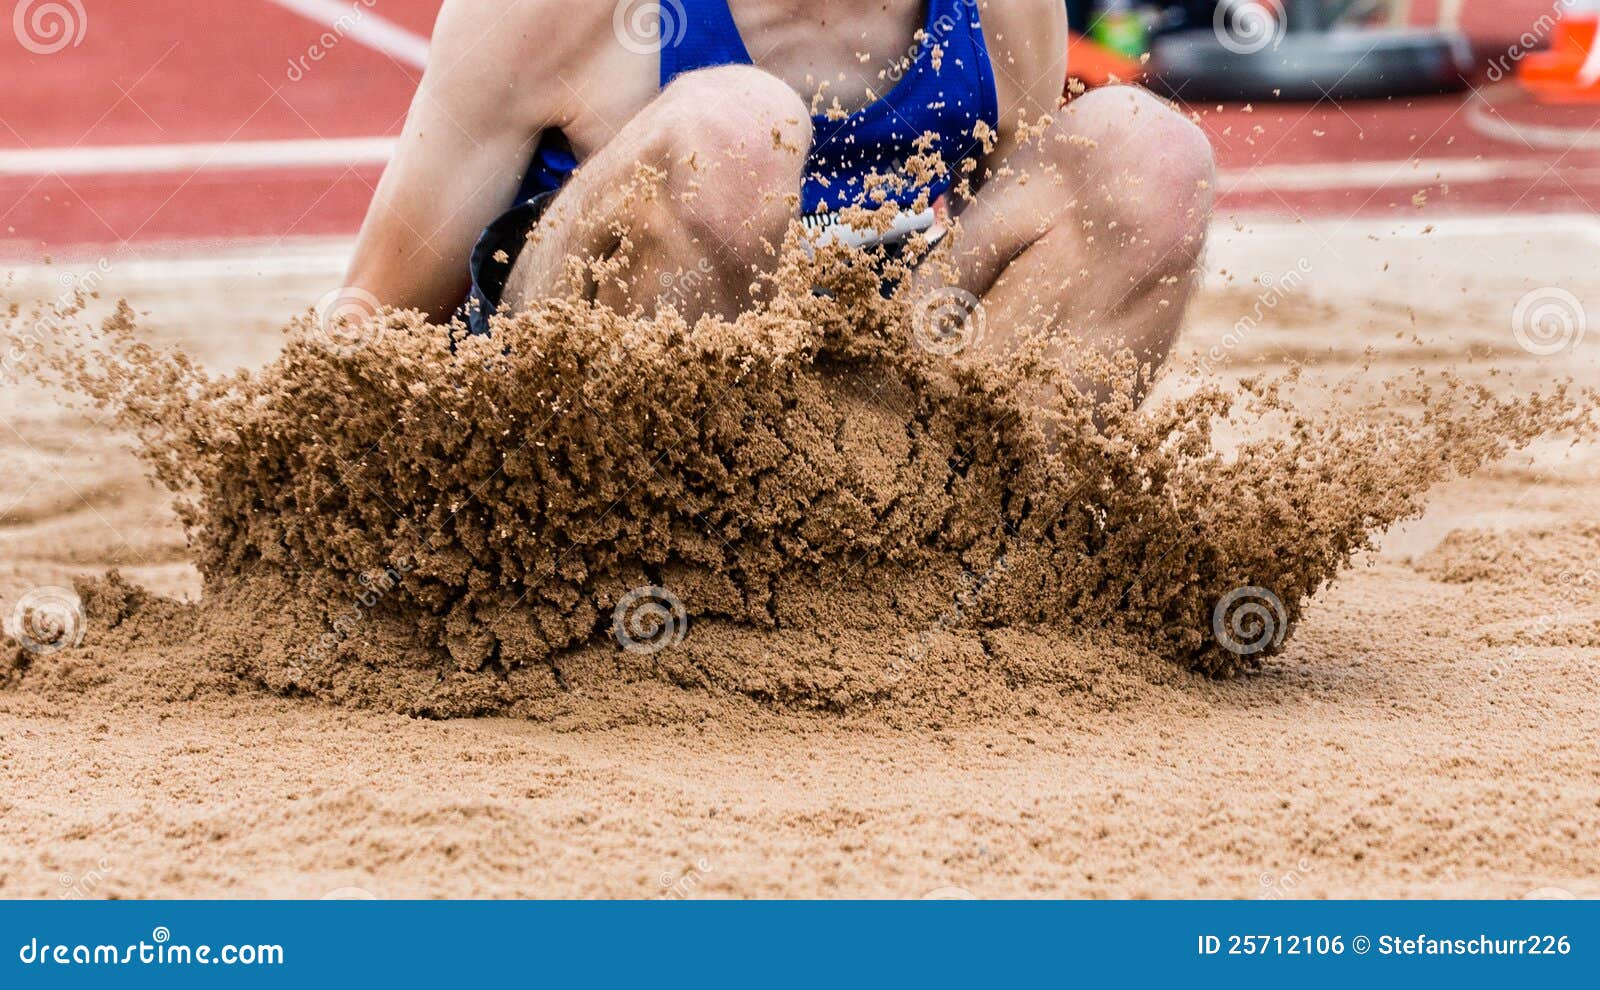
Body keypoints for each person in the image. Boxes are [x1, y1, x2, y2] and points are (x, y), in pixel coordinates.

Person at [341, 0, 1214, 399]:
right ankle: (628, 583)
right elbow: (370, 321)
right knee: (737, 130)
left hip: (859, 424)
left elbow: (1026, 266)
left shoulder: (1002, 7)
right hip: (577, 438)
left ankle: (980, 576)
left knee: (1150, 154)